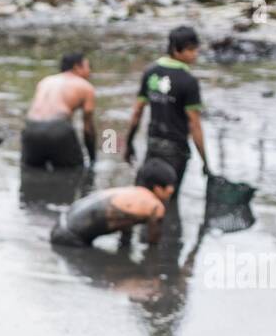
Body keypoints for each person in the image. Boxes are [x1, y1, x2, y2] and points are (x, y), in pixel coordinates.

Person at [123, 26, 209, 195]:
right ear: (176, 50)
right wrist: (204, 160)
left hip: (153, 144)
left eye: (196, 49)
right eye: (190, 50)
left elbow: (137, 112)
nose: (195, 54)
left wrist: (129, 143)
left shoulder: (151, 72)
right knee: (169, 198)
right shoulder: (189, 81)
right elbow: (194, 124)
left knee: (144, 194)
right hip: (176, 149)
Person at [49, 158, 178, 247]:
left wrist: (125, 246)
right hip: (71, 237)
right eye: (170, 189)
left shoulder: (130, 192)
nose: (171, 193)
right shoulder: (155, 206)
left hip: (62, 223)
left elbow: (125, 225)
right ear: (158, 188)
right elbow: (153, 243)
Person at [21, 52, 97, 169]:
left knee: (31, 174)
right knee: (74, 174)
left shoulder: (46, 81)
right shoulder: (85, 86)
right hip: (58, 129)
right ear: (77, 67)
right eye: (88, 66)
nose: (90, 71)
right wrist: (93, 160)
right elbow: (88, 129)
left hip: (31, 128)